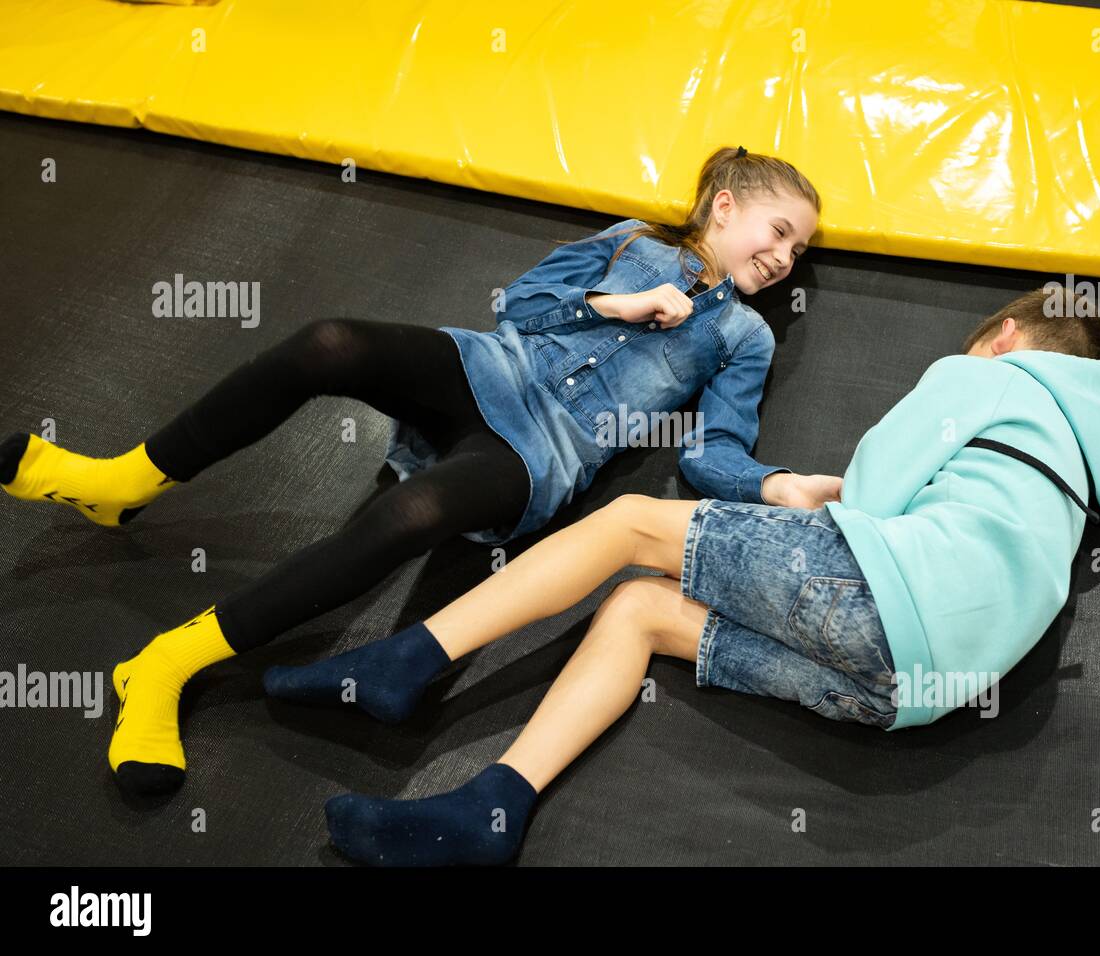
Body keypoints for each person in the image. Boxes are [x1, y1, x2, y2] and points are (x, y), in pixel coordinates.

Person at [0, 146, 822, 797]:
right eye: (779, 230)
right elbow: (520, 305)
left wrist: (774, 484)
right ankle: (124, 483)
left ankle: (168, 662)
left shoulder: (743, 337)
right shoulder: (634, 240)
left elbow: (713, 452)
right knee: (327, 341)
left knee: (409, 515)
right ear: (725, 205)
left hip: (541, 453)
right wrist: (618, 305)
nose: (787, 256)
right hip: (487, 367)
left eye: (800, 248)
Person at [263, 287, 1100, 866]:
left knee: (629, 527)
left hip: (883, 591)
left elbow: (883, 491)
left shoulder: (993, 374)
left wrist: (827, 493)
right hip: (920, 690)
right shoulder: (1087, 466)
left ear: (1006, 333)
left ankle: (402, 662)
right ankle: (489, 813)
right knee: (642, 612)